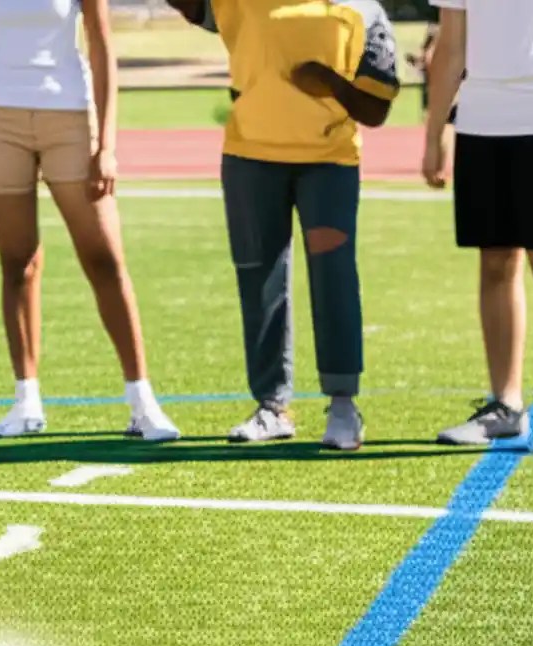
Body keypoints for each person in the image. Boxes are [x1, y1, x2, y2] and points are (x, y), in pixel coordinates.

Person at [0, 0, 180, 441]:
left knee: (103, 257)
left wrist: (106, 145)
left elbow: (102, 46)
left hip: (69, 115)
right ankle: (26, 401)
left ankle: (142, 402)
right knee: (18, 263)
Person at [166, 0, 400, 450]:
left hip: (327, 165)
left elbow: (376, 108)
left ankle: (343, 406)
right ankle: (272, 407)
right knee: (260, 283)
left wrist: (329, 81)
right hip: (250, 158)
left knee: (334, 278)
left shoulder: (360, 7)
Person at [424, 0, 533, 452]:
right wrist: (436, 131)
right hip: (482, 122)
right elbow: (451, 45)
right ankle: (505, 407)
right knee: (496, 261)